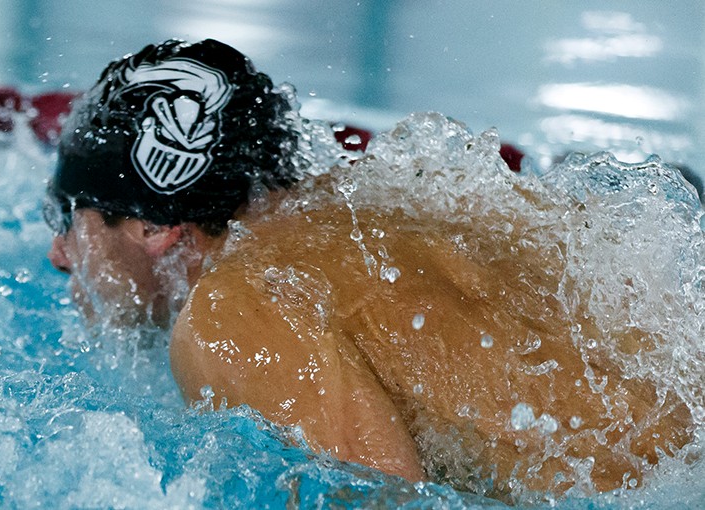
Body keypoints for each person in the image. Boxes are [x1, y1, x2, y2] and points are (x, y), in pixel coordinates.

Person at [44, 38, 692, 499]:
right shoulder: (391, 197)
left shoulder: (233, 308)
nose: (58, 253)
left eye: (68, 216)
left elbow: (386, 500)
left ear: (154, 226)